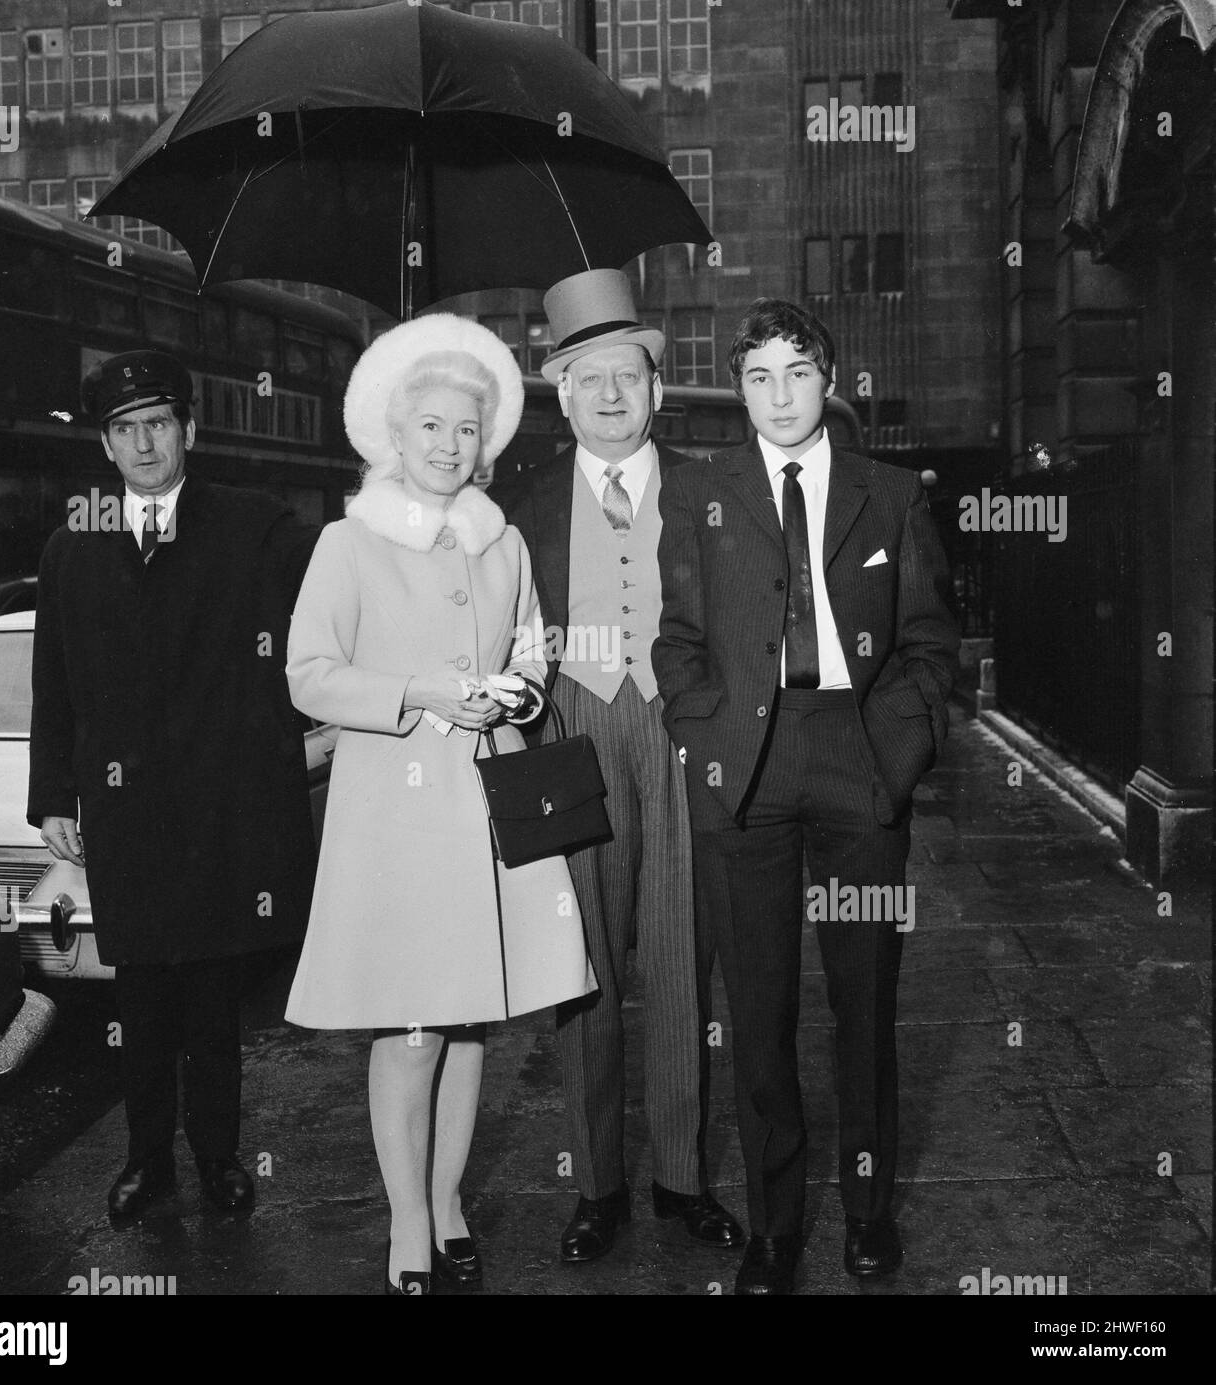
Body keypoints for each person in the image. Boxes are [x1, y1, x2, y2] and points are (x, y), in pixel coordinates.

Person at [283, 314, 596, 1296]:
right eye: (431, 427)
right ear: (392, 432)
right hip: (394, 818)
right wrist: (420, 691)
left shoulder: (500, 545)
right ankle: (406, 1224)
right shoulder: (347, 541)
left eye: (467, 429)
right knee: (411, 1026)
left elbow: (533, 655)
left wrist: (517, 690)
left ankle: (450, 1197)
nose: (450, 446)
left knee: (470, 1022)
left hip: (485, 810)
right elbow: (308, 676)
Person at [653, 298, 959, 1293]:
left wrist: (894, 758)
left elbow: (928, 643)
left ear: (829, 377)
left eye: (795, 371)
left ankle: (866, 1212)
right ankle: (775, 1225)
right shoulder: (698, 492)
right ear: (737, 389)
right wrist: (705, 742)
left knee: (865, 1002)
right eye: (756, 376)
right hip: (745, 771)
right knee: (758, 1008)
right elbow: (679, 644)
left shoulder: (890, 492)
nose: (778, 395)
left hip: (855, 761)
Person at [28, 349, 318, 1223]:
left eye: (159, 423)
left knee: (211, 1000)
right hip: (126, 814)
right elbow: (54, 684)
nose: (144, 443)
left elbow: (333, 591)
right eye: (125, 429)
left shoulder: (253, 525)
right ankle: (146, 1160)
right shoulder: (71, 544)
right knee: (140, 995)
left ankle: (220, 1158)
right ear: (107, 447)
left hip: (220, 807)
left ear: (189, 430)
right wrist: (51, 797)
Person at [493, 269, 743, 1263]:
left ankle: (681, 1176)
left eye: (627, 374)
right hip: (570, 731)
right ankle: (594, 1185)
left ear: (656, 383)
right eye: (588, 376)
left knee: (683, 958)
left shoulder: (710, 489)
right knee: (581, 966)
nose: (609, 395)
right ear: (559, 390)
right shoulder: (517, 502)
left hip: (677, 732)